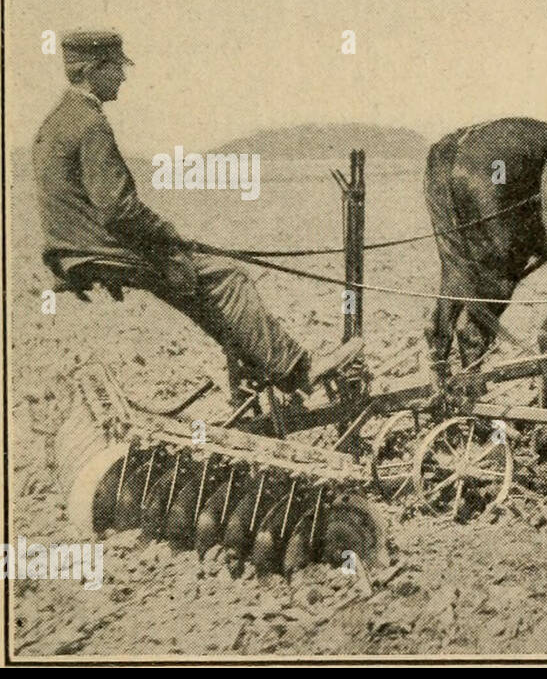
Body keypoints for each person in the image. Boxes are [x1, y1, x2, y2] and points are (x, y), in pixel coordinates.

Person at [33, 29, 359, 403]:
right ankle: (297, 370)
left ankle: (258, 369)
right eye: (118, 68)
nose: (123, 77)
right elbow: (117, 208)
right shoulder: (91, 124)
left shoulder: (56, 121)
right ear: (95, 68)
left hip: (74, 249)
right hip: (101, 247)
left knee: (200, 285)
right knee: (229, 276)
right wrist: (169, 234)